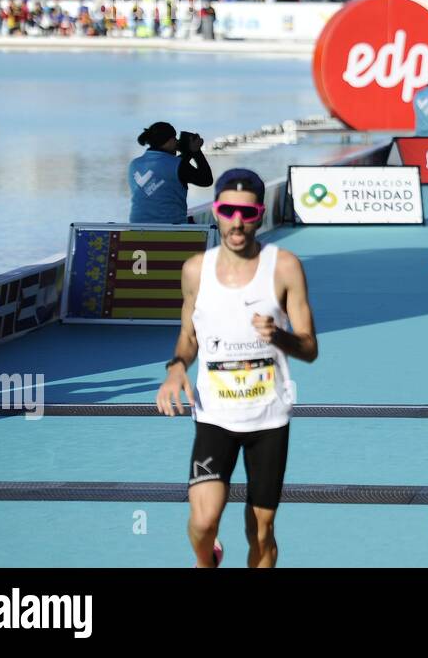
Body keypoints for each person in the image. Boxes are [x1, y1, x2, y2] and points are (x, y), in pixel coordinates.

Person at [156, 168, 319, 568]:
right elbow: (188, 336)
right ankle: (205, 560)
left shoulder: (284, 267)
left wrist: (278, 336)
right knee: (203, 521)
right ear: (215, 211)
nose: (237, 221)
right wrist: (176, 367)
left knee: (260, 531)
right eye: (228, 211)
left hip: (268, 421)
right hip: (215, 420)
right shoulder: (195, 270)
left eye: (247, 213)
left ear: (260, 214)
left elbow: (310, 348)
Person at [128, 122, 214, 224]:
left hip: (137, 227)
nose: (177, 142)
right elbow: (206, 180)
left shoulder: (134, 164)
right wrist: (196, 152)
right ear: (169, 141)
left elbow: (166, 167)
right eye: (175, 139)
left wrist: (189, 153)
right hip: (172, 228)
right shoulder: (178, 165)